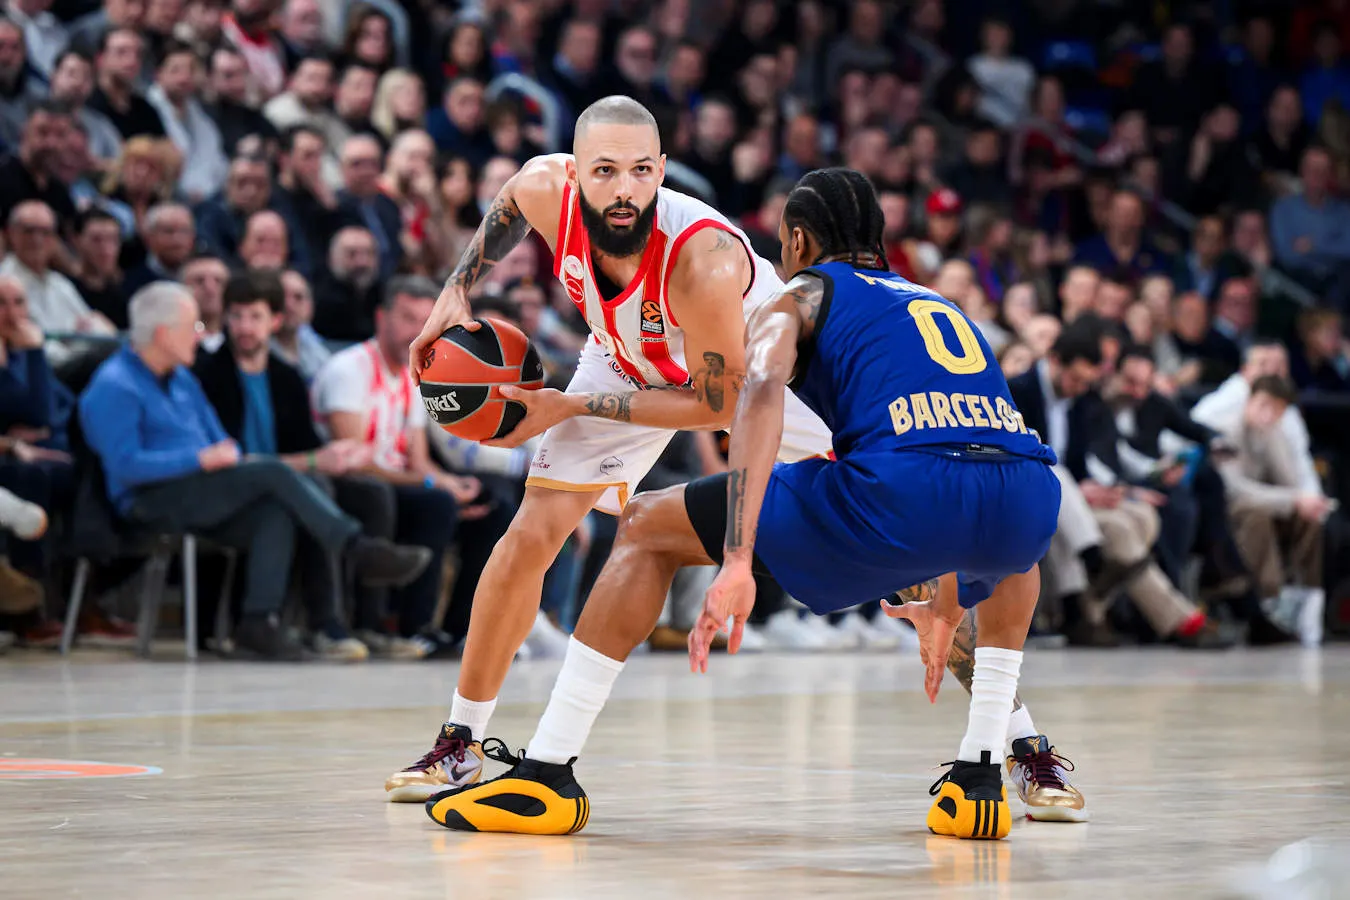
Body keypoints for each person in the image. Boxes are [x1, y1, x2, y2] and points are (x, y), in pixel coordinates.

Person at [388, 100, 1088, 827]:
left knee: (920, 564)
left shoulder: (705, 259)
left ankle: (1019, 740)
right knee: (532, 532)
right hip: (623, 361)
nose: (623, 188)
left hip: (766, 384)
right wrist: (456, 288)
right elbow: (504, 206)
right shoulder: (541, 187)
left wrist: (570, 410)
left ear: (660, 171)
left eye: (638, 171)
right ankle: (460, 741)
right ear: (576, 173)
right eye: (603, 171)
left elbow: (721, 404)